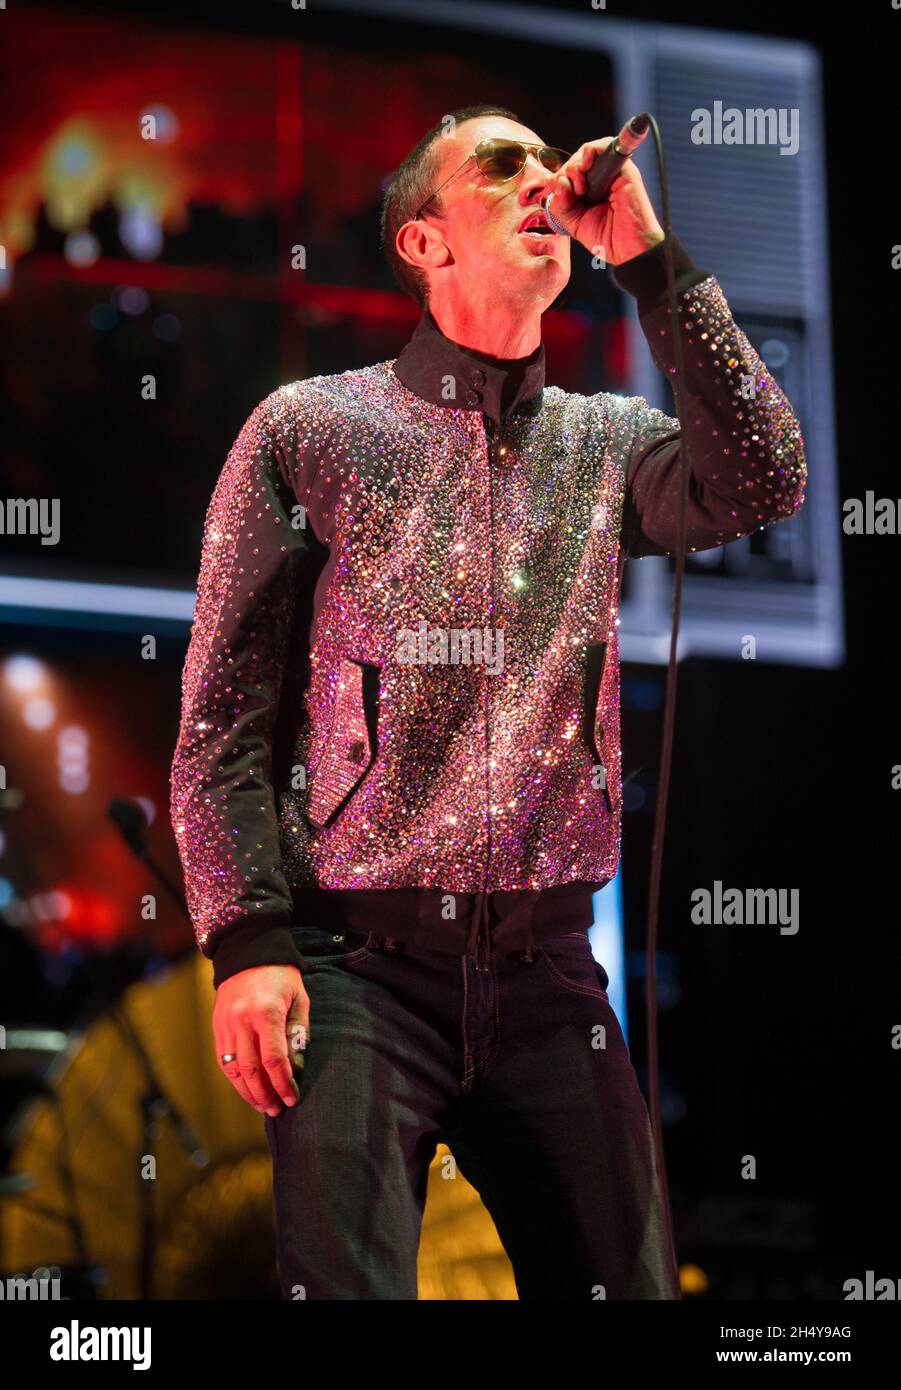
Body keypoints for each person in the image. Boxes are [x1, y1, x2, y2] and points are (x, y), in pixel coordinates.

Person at [169, 104, 806, 1300]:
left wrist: (651, 263)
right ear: (423, 242)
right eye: (500, 165)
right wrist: (248, 944)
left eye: (544, 163)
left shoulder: (606, 443)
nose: (540, 181)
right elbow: (221, 718)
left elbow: (766, 471)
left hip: (550, 978)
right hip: (357, 967)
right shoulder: (312, 429)